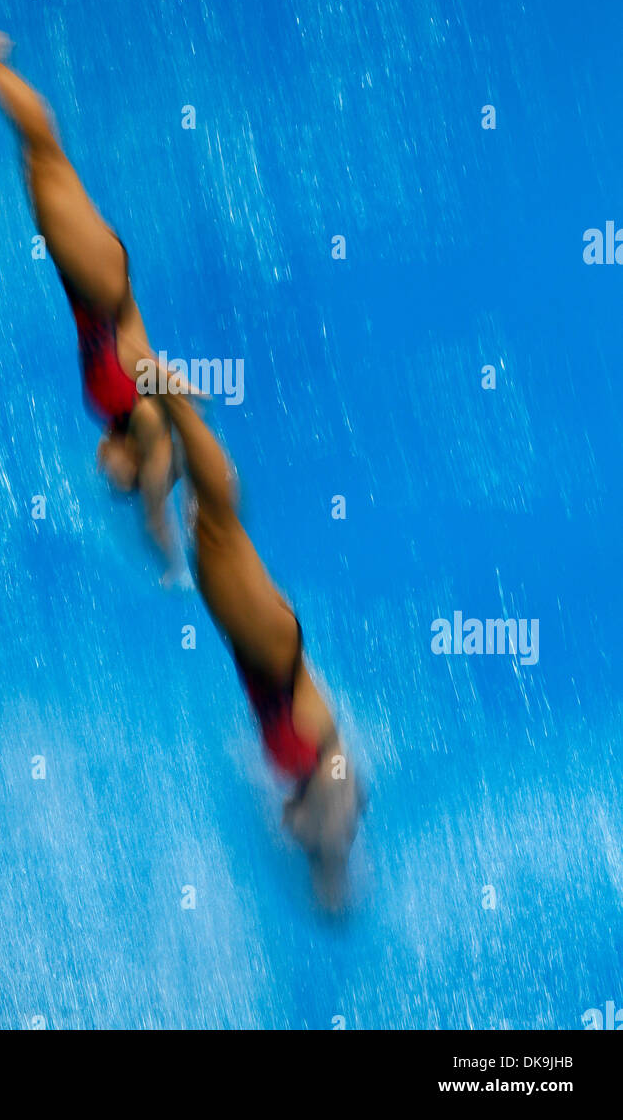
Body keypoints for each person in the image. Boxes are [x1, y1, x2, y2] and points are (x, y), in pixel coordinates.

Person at [0, 0, 181, 575]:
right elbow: (160, 443)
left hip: (88, 279)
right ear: (137, 467)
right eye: (118, 481)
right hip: (100, 282)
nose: (102, 473)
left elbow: (142, 357)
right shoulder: (143, 419)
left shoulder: (111, 407)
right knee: (42, 152)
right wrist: (157, 530)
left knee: (39, 159)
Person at [136, 363, 363, 908]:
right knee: (214, 527)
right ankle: (181, 412)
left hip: (273, 665)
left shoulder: (325, 785)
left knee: (214, 527)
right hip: (274, 668)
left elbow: (330, 811)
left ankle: (182, 409)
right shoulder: (321, 783)